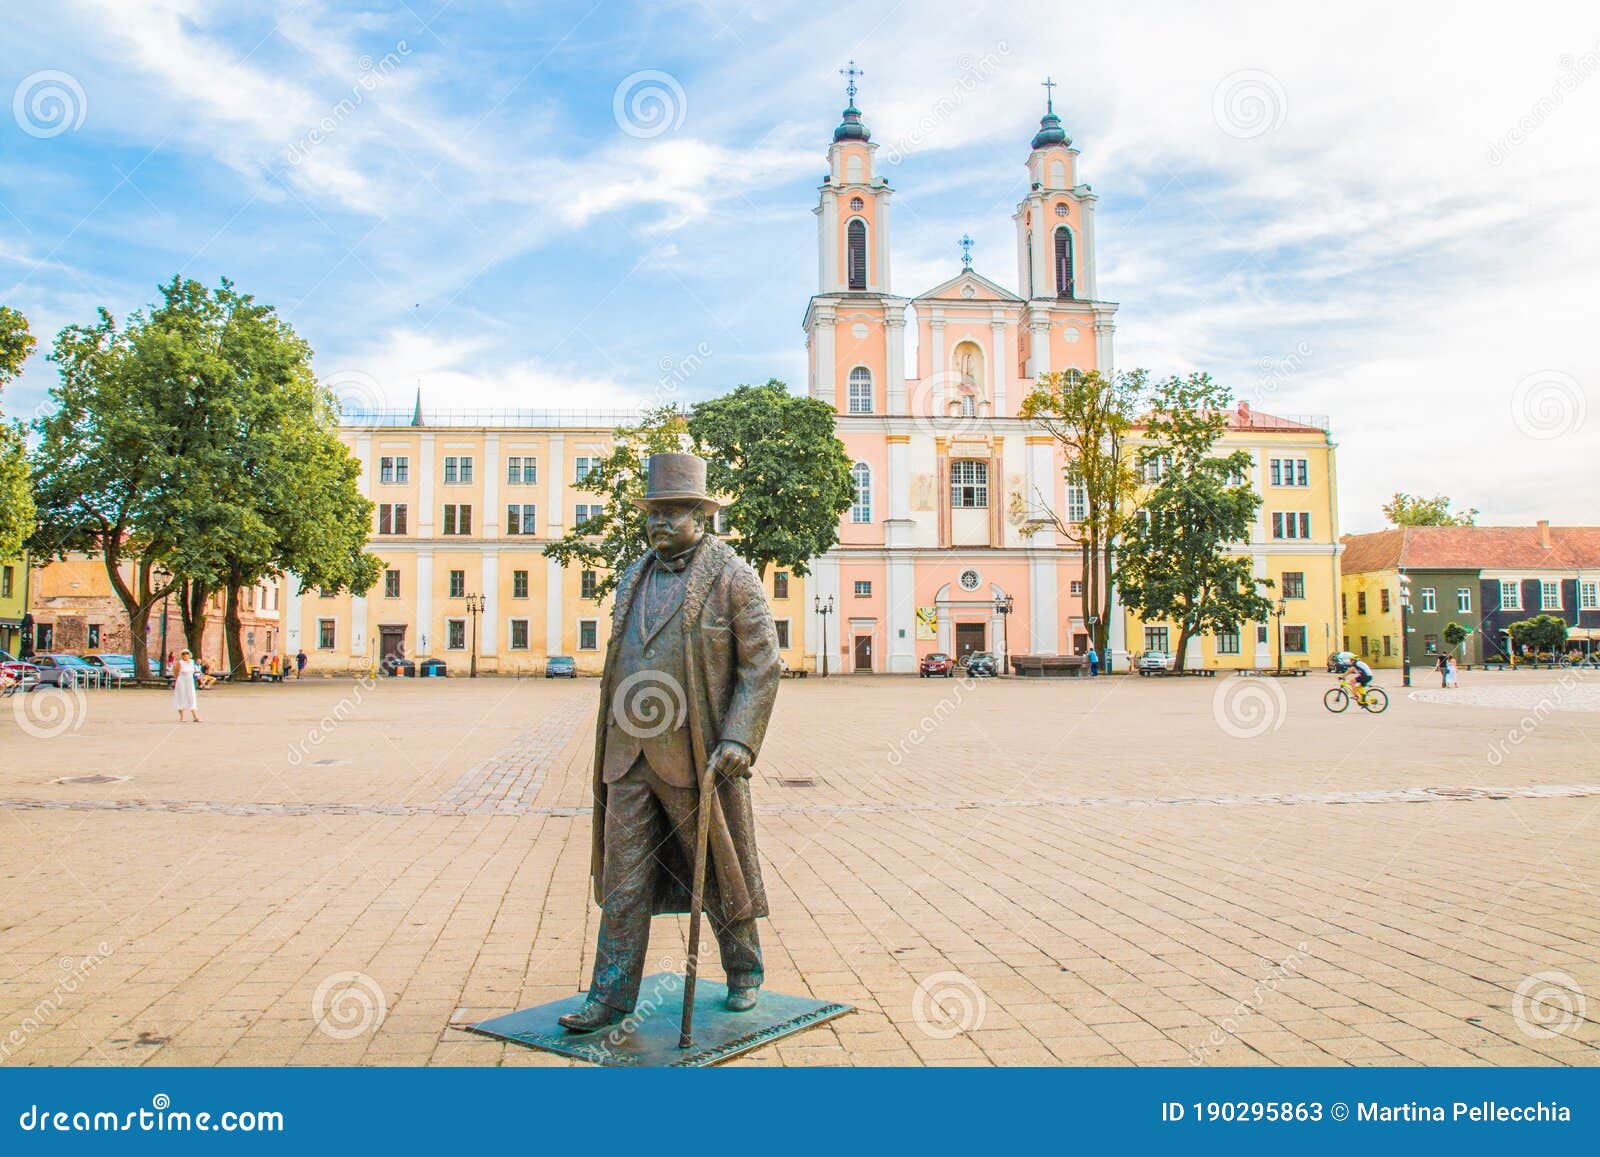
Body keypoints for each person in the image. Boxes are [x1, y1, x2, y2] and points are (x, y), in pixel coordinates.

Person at [559, 452, 779, 1034]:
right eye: (653, 514)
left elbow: (762, 664)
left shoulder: (732, 575)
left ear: (700, 517)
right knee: (623, 881)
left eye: (671, 514)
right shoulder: (634, 574)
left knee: (720, 870)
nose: (658, 524)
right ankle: (610, 996)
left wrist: (740, 738)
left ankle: (744, 970)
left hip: (695, 753)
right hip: (626, 753)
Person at [173, 649, 202, 723]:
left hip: (190, 681)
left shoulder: (192, 662)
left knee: (191, 697)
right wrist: (178, 679)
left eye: (187, 653)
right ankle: (182, 717)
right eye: (183, 654)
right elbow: (175, 672)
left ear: (189, 654)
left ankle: (195, 717)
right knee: (181, 697)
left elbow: (194, 671)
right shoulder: (180, 662)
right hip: (182, 681)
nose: (185, 655)